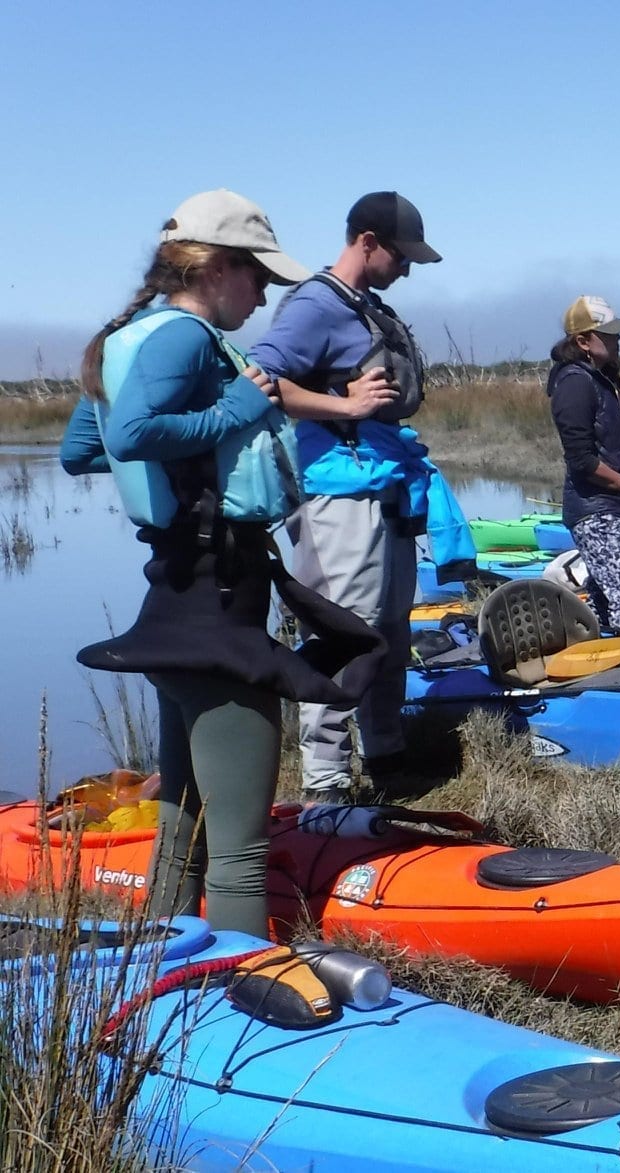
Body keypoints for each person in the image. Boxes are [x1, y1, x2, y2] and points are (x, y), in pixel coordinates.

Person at [58, 191, 382, 936]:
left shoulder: (126, 337)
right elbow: (137, 432)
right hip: (218, 610)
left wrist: (184, 469)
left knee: (183, 826)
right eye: (257, 275)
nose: (266, 292)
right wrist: (234, 411)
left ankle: (164, 979)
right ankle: (243, 1003)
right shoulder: (187, 339)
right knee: (239, 851)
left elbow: (84, 449)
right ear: (215, 267)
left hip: (174, 600)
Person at [249, 191, 473, 799]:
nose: (406, 270)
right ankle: (324, 780)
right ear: (367, 242)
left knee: (391, 631)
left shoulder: (366, 306)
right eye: (401, 257)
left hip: (386, 487)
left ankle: (387, 758)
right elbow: (259, 379)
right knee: (344, 631)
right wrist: (343, 405)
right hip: (337, 495)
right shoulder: (315, 305)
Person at [547, 296, 620, 633]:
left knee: (607, 604)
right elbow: (581, 460)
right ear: (583, 342)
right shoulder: (575, 382)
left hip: (611, 510)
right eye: (608, 334)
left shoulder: (599, 379)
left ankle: (605, 658)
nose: (617, 340)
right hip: (597, 512)